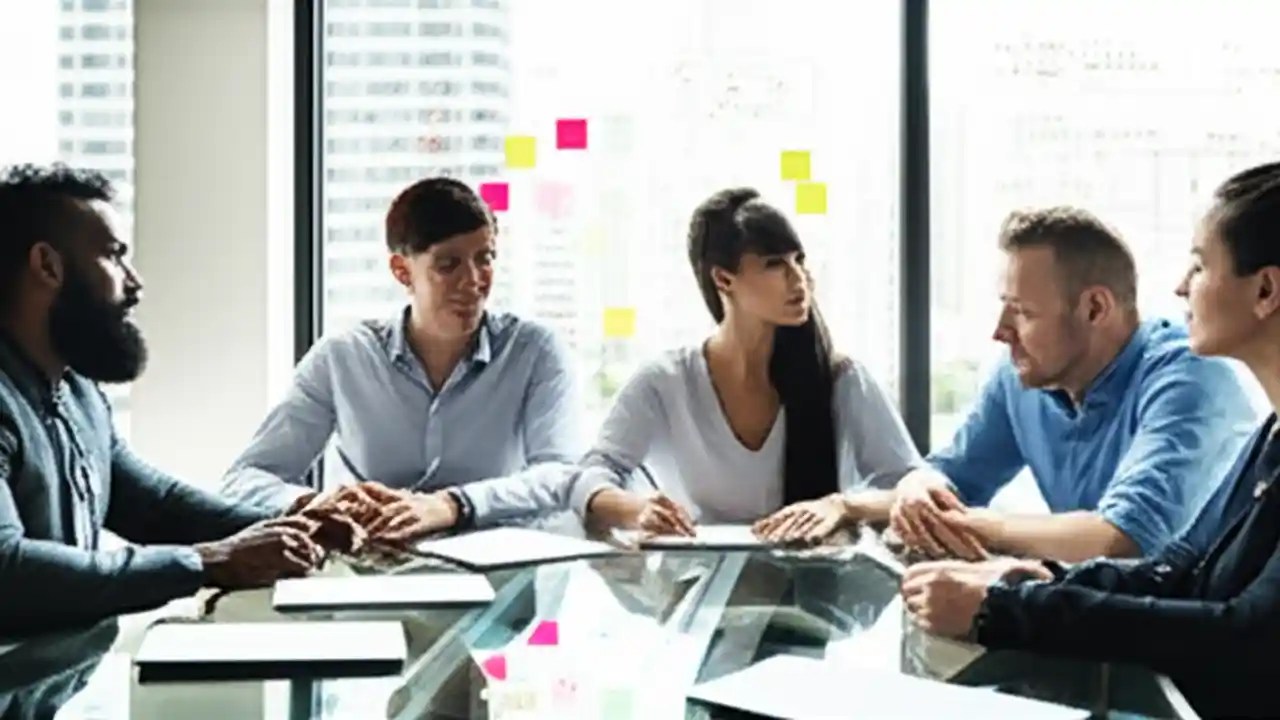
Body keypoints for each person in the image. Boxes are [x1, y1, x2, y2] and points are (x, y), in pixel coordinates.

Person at [902, 162, 1280, 718]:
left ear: (1266, 289)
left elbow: (1249, 636)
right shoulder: (1273, 432)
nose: (1179, 286)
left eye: (1199, 266)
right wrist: (1030, 582)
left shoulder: (1185, 375)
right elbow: (1183, 570)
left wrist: (1004, 611)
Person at [0, 164, 325, 639]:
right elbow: (8, 571)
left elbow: (152, 504)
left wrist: (297, 524)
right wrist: (203, 563)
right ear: (48, 266)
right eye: (113, 257)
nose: (134, 283)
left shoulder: (76, 391)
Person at [880, 207, 1256, 563]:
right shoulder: (1021, 375)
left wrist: (981, 527)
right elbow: (953, 476)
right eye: (1004, 306)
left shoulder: (1193, 378)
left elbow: (1124, 540)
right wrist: (918, 485)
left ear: (1095, 308)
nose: (1000, 332)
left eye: (1024, 312)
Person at [221, 177, 582, 542]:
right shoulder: (342, 358)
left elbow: (560, 474)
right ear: (402, 271)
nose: (473, 280)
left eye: (484, 258)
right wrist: (320, 504)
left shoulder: (536, 350)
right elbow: (246, 480)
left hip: (499, 574)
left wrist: (451, 505)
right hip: (369, 568)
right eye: (448, 264)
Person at [570, 188, 924, 542]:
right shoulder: (666, 383)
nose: (798, 279)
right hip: (706, 583)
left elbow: (916, 484)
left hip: (820, 584)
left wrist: (843, 506)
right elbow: (593, 474)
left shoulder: (840, 378)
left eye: (798, 260)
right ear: (724, 280)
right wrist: (637, 509)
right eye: (774, 264)